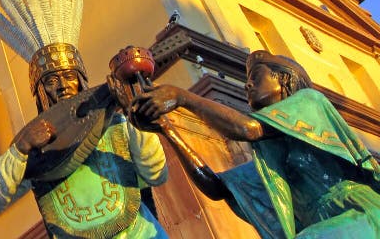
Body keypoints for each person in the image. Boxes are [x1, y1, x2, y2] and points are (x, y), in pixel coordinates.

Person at [0, 0, 168, 238]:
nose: (61, 86)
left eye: (68, 77)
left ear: (81, 80)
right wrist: (20, 150)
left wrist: (133, 114)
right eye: (50, 81)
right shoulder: (34, 151)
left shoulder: (117, 122)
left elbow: (157, 174)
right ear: (39, 91)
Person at [130, 50, 380, 238]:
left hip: (361, 211)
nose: (247, 85)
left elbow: (247, 128)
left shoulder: (310, 102)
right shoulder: (273, 161)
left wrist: (182, 96)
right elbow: (217, 188)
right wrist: (166, 128)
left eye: (256, 77)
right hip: (324, 224)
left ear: (284, 79)